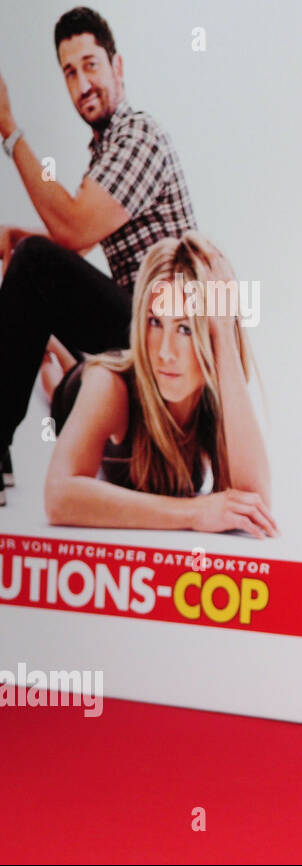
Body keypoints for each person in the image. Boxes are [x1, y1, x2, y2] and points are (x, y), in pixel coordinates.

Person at [0, 6, 198, 503]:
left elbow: (68, 227)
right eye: (70, 72)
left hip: (166, 332)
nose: (83, 83)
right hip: (137, 336)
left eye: (91, 64)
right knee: (34, 260)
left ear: (118, 67)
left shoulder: (137, 137)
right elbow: (76, 232)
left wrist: (11, 131)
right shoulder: (105, 150)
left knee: (37, 263)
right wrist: (22, 237)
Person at [44, 232, 277, 538]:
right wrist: (194, 513)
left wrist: (223, 329)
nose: (165, 351)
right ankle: (47, 348)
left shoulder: (216, 394)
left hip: (127, 372)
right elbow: (58, 498)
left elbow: (254, 503)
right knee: (53, 378)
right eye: (155, 322)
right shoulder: (109, 386)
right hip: (84, 386)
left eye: (184, 328)